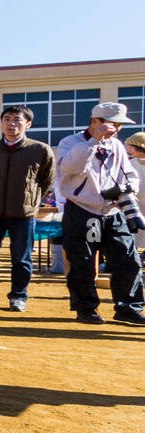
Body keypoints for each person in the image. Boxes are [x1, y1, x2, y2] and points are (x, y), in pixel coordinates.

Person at [55, 102, 144, 325]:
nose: (116, 128)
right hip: (82, 211)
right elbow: (70, 168)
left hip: (113, 211)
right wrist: (95, 140)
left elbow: (130, 172)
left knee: (128, 260)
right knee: (82, 262)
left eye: (120, 124)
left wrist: (128, 188)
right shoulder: (70, 143)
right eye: (112, 123)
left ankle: (128, 307)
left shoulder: (117, 146)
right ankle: (86, 308)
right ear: (96, 122)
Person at [0, 106, 55, 311]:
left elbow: (46, 180)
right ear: (1, 123)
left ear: (28, 124)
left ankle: (18, 296)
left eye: (17, 119)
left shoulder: (40, 150)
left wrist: (31, 201)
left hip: (23, 215)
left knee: (21, 258)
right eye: (7, 119)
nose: (11, 123)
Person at [127, 131, 145, 255]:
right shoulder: (130, 163)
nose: (129, 149)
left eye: (132, 146)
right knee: (135, 231)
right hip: (136, 204)